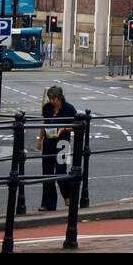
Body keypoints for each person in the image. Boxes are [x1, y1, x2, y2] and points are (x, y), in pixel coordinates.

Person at [35, 84, 78, 212]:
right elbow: (44, 122)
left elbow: (77, 125)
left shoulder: (69, 109)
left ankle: (67, 195)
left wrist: (63, 129)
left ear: (59, 98)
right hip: (48, 143)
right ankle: (48, 204)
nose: (52, 101)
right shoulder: (47, 107)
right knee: (47, 174)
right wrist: (39, 140)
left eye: (54, 99)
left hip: (62, 143)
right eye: (50, 99)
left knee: (60, 171)